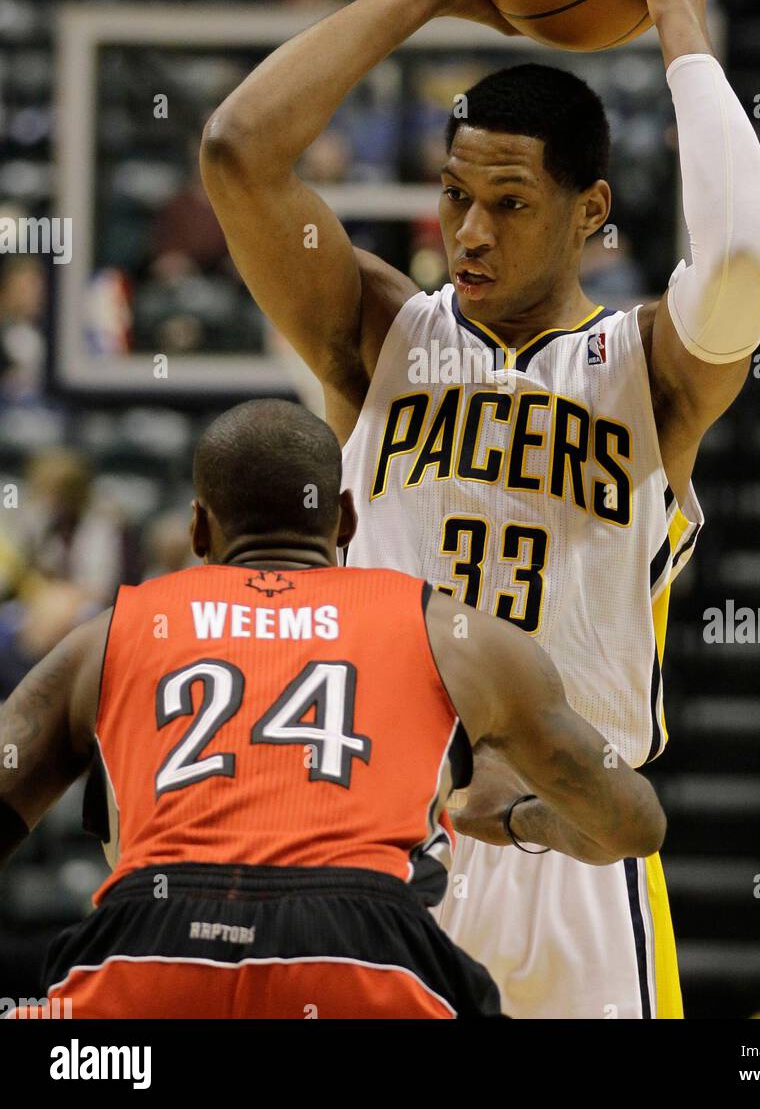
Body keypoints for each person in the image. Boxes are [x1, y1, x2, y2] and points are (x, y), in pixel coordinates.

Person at [199, 0, 760, 1018]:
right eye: (456, 195)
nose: (469, 231)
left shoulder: (648, 373)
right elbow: (237, 153)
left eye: (509, 203)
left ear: (591, 213)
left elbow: (741, 259)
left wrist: (678, 23)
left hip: (578, 838)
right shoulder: (379, 336)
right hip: (380, 828)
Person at [0, 400, 664, 1020]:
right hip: (361, 945)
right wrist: (521, 819)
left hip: (149, 942)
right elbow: (634, 824)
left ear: (198, 526)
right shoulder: (447, 632)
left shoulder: (111, 633)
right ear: (345, 519)